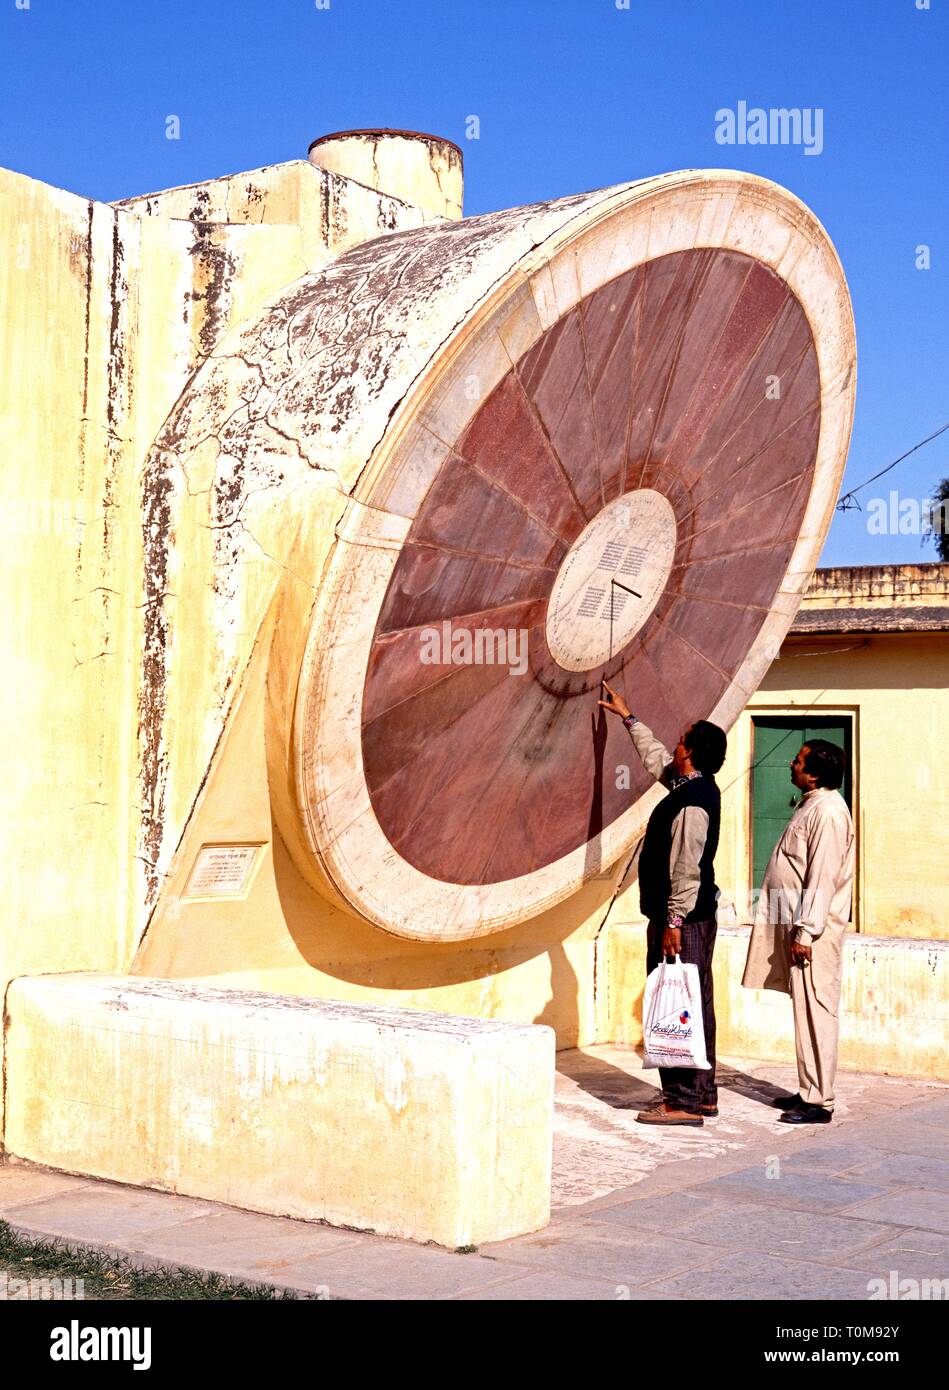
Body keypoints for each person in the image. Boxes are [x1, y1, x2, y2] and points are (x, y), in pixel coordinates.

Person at [599, 682, 727, 1127]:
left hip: (684, 920)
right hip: (691, 918)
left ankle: (683, 1101)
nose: (674, 743)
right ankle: (702, 1093)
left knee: (679, 1005)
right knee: (694, 999)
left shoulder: (693, 803)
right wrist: (628, 717)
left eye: (681, 739)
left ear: (689, 752)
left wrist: (673, 920)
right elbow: (656, 758)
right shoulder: (692, 785)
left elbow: (685, 869)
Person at [742, 739, 855, 1125]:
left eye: (799, 760)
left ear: (814, 773)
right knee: (804, 1011)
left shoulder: (829, 813)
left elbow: (822, 876)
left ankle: (819, 1101)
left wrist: (806, 932)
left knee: (817, 1011)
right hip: (799, 927)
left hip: (814, 934)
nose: (791, 763)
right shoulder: (812, 805)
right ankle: (809, 1087)